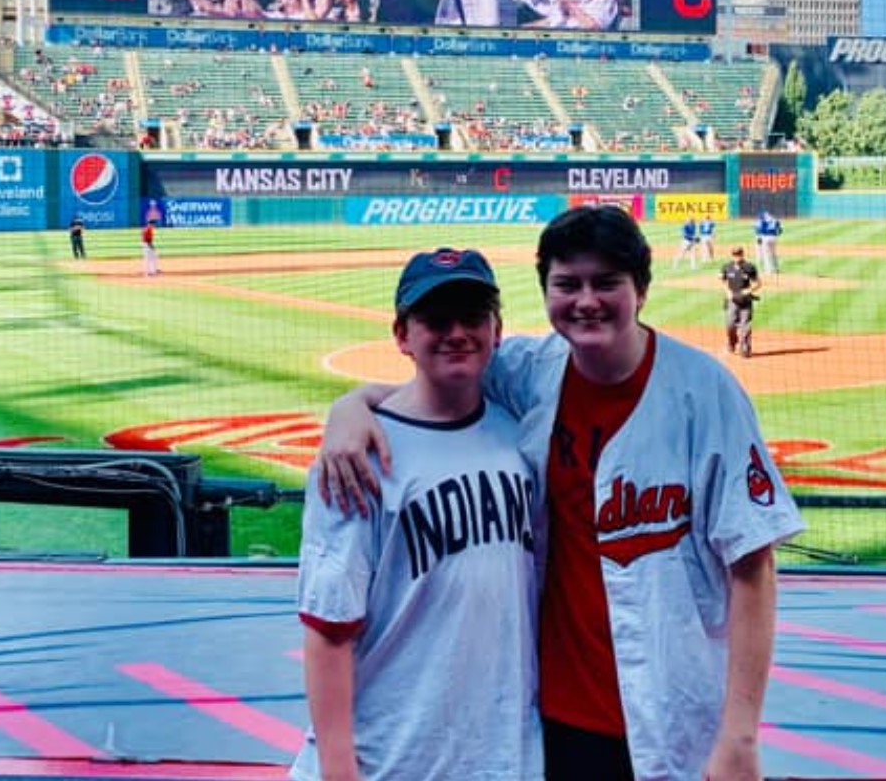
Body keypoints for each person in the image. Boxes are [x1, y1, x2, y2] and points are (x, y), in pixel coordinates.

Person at [320, 205, 803, 781]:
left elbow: (752, 565)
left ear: (641, 291)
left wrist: (741, 737)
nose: (586, 300)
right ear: (545, 292)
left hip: (675, 712)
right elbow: (430, 383)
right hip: (555, 720)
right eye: (566, 284)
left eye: (607, 283)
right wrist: (349, 407)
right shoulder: (528, 370)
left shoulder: (705, 392)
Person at [294, 248, 541, 781]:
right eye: (435, 319)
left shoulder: (522, 436)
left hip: (503, 753)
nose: (456, 332)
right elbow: (329, 629)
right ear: (402, 335)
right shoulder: (357, 457)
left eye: (473, 317)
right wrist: (339, 769)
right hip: (390, 756)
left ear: (497, 330)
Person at [720, 246, 760, 358]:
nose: (736, 257)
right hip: (732, 300)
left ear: (743, 254)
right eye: (734, 255)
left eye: (738, 254)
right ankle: (732, 343)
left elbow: (758, 283)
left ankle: (745, 348)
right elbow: (722, 280)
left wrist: (749, 290)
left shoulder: (749, 267)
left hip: (745, 301)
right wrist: (727, 291)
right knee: (730, 324)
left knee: (745, 325)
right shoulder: (727, 267)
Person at [753, 211, 782, 275]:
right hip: (773, 238)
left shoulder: (760, 220)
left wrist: (759, 240)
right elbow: (780, 230)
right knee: (773, 254)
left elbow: (757, 230)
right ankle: (776, 269)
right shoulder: (775, 220)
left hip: (764, 238)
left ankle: (768, 271)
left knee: (765, 255)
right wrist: (776, 235)